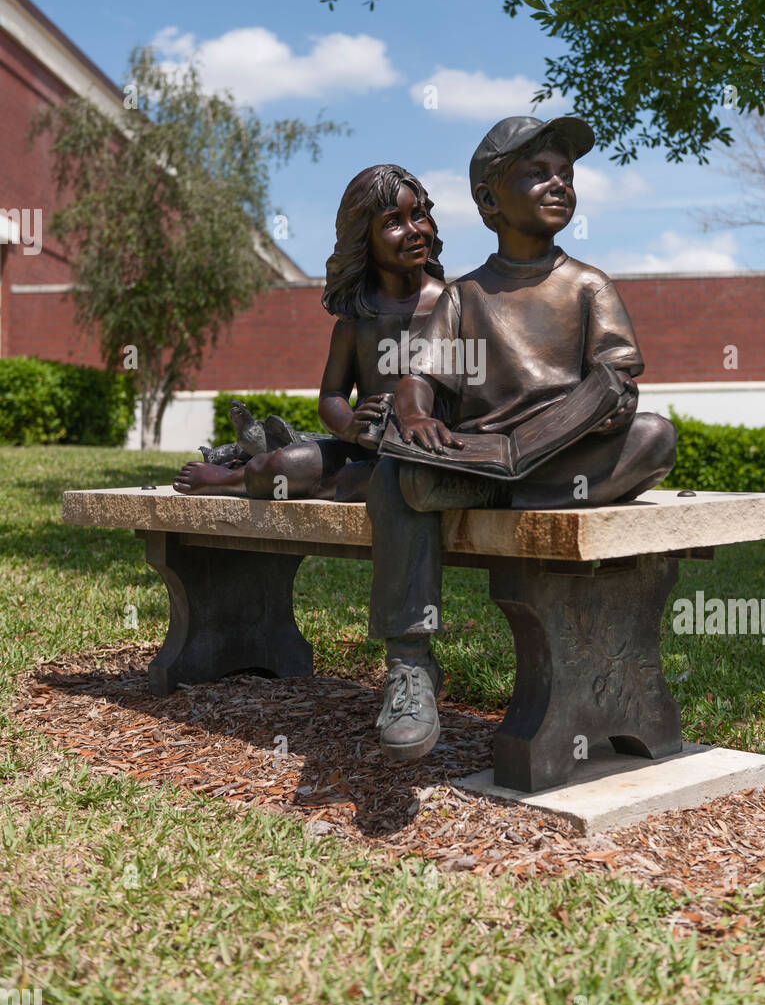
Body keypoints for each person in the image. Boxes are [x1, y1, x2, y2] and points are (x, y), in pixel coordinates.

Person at [366, 115, 678, 763]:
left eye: (565, 174)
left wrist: (605, 404)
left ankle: (504, 491)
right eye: (536, 173)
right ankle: (409, 664)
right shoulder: (463, 296)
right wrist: (418, 410)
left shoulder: (588, 285)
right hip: (479, 458)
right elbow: (416, 376)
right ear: (488, 200)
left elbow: (618, 377)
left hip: (563, 455)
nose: (556, 183)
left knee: (654, 439)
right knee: (399, 471)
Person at [172, 164, 446, 500]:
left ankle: (343, 481)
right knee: (282, 465)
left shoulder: (455, 305)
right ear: (363, 238)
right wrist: (349, 426)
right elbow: (332, 396)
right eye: (393, 222)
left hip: (432, 451)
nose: (413, 230)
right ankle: (227, 479)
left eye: (418, 215)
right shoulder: (357, 319)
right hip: (368, 448)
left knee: (387, 479)